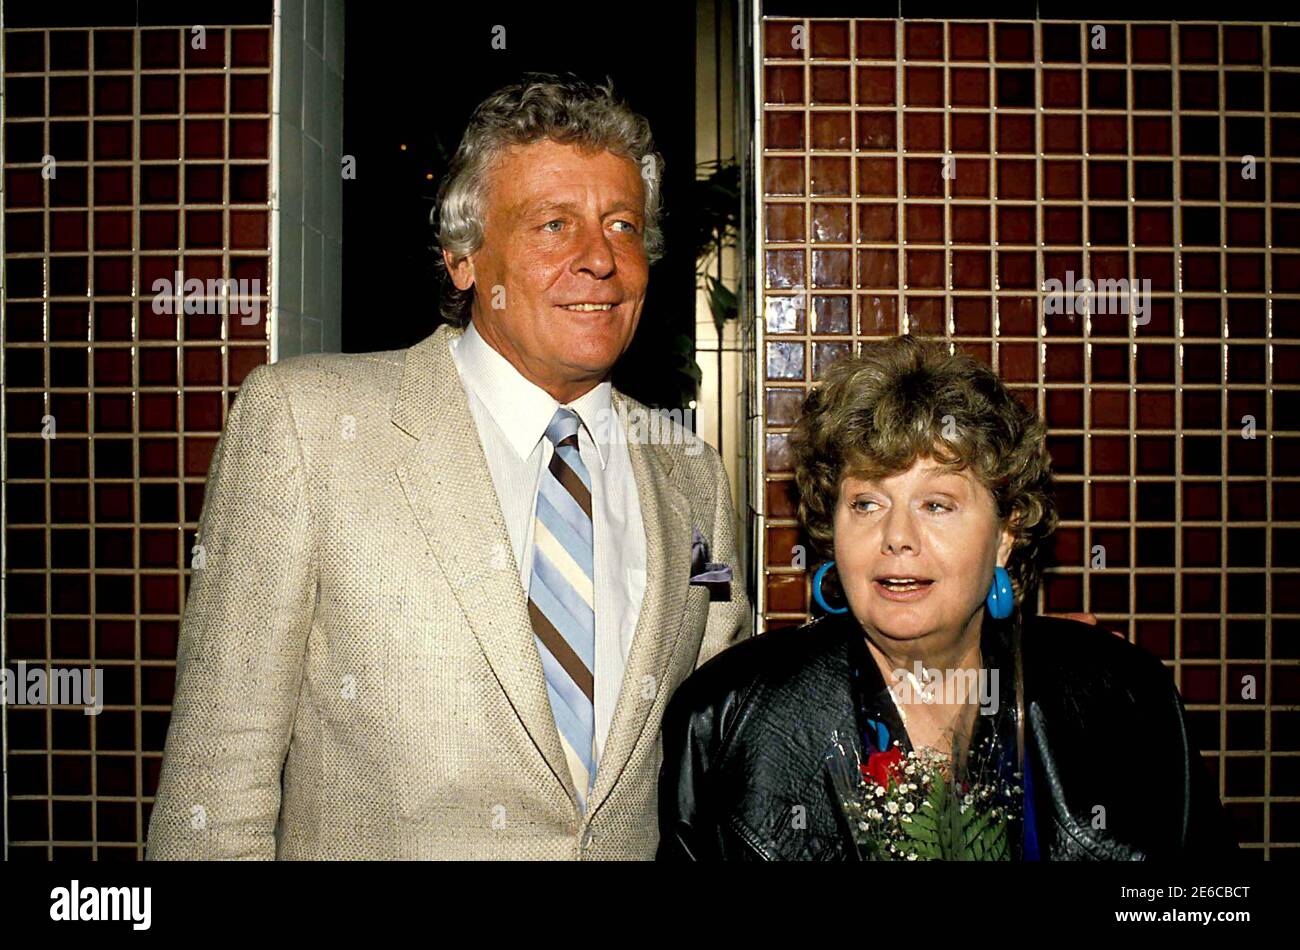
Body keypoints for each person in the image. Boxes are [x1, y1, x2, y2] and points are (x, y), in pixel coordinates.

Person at [146, 74, 749, 860]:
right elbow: (215, 793)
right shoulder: (307, 428)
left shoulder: (692, 476)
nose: (599, 258)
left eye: (623, 225)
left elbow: (716, 752)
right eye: (554, 224)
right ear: (464, 259)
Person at [657, 335, 1236, 860]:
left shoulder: (1122, 698)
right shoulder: (726, 719)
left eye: (936, 504)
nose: (897, 537)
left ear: (1006, 533)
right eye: (866, 504)